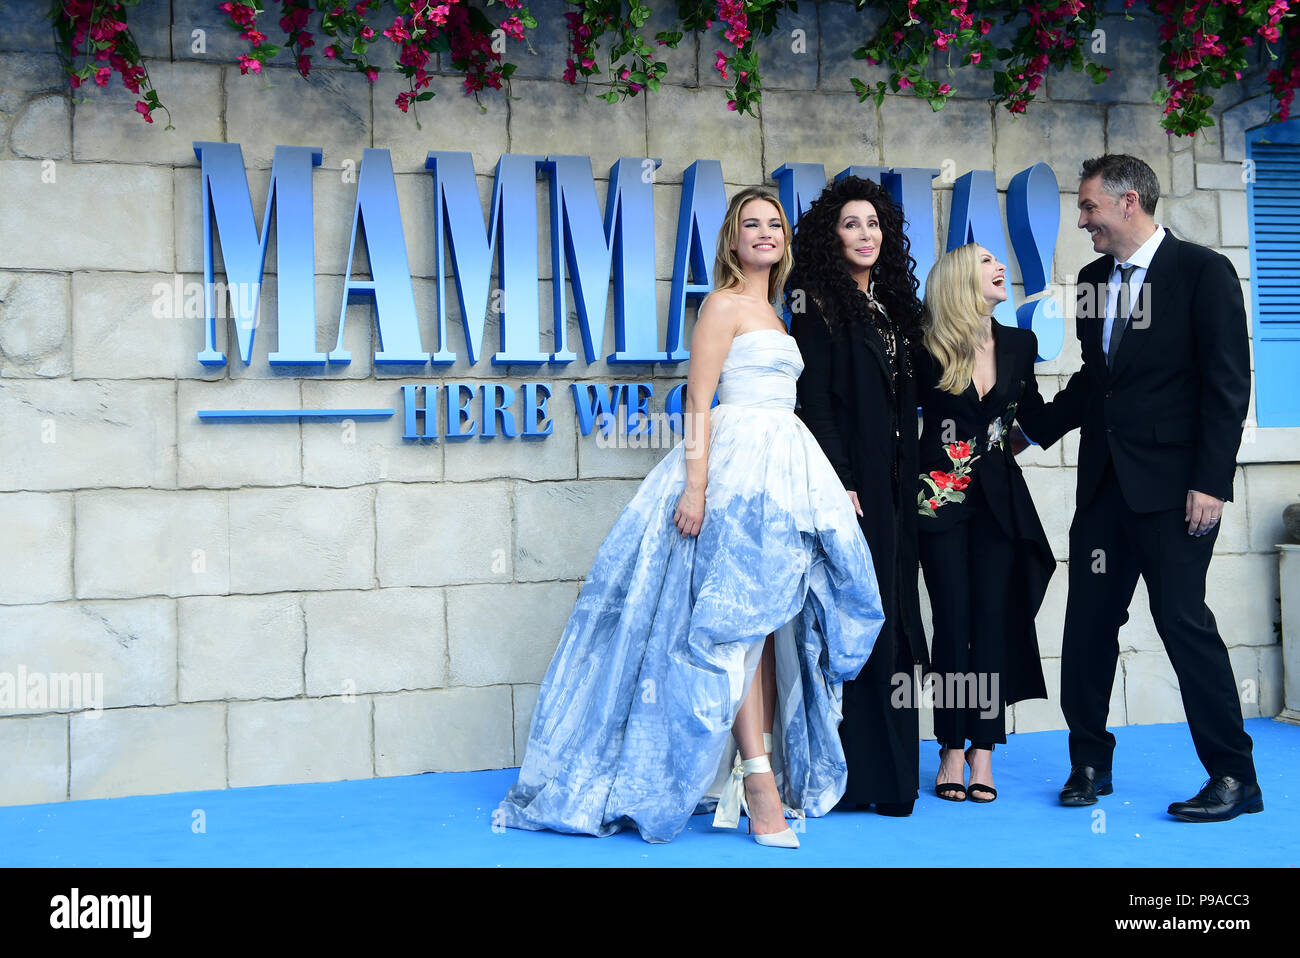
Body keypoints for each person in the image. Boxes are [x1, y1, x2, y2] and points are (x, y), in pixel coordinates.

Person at [496, 188, 885, 845]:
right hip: (730, 475)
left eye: (775, 225)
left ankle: (744, 769)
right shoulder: (723, 306)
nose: (765, 233)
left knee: (761, 621)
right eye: (752, 225)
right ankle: (759, 783)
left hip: (782, 469)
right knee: (730, 626)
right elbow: (698, 402)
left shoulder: (775, 311)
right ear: (733, 240)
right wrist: (697, 488)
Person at [1024, 154, 1260, 822]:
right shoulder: (1096, 279)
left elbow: (1226, 384)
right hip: (1103, 488)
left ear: (1130, 202)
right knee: (1088, 627)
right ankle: (1089, 764)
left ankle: (1235, 779)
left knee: (1184, 624)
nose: (1082, 220)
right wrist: (1027, 434)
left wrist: (1211, 482)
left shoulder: (1202, 272)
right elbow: (1095, 383)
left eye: (1090, 207)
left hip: (1176, 492)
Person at [788, 176, 929, 817]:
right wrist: (839, 481)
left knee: (898, 618)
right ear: (830, 235)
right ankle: (859, 775)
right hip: (854, 487)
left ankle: (896, 770)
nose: (866, 234)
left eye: (873, 224)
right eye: (851, 224)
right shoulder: (817, 306)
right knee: (859, 620)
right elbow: (814, 402)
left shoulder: (893, 307)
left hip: (898, 486)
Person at [913, 242, 1055, 803]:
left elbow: (1037, 417)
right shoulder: (924, 348)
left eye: (1001, 261)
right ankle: (950, 747)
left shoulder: (1020, 343)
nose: (1001, 269)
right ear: (960, 282)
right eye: (988, 263)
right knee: (951, 621)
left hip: (1000, 506)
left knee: (992, 622)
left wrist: (1099, 386)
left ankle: (983, 751)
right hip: (938, 503)